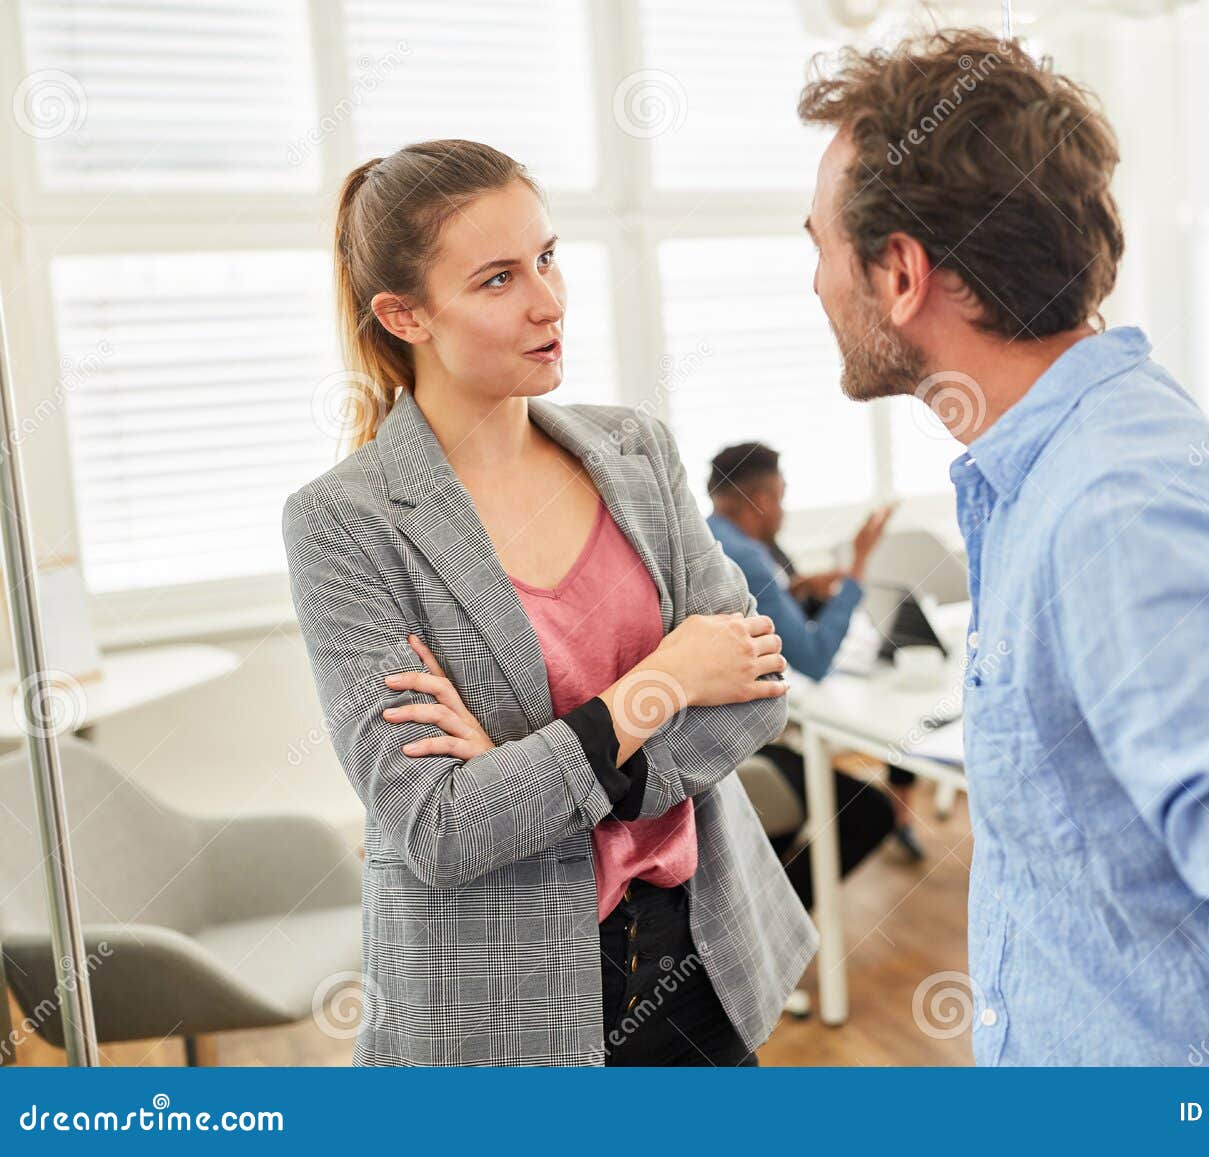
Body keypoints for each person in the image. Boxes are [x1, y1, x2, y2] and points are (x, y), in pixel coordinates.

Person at [798, 31, 1209, 1065]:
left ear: (901, 271)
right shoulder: (1044, 475)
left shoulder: (1119, 508)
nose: (815, 284)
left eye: (820, 246)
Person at [282, 140, 814, 1067]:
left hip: (699, 957)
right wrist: (659, 686)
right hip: (502, 998)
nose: (549, 300)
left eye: (548, 256)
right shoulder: (344, 523)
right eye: (497, 279)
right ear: (404, 314)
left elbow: (759, 688)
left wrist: (541, 771)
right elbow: (441, 828)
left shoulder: (636, 451)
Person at [705, 442, 921, 885]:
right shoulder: (749, 556)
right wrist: (858, 565)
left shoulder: (709, 538)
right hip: (741, 748)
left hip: (710, 736)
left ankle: (762, 902)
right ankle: (779, 917)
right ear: (763, 499)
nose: (783, 510)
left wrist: (795, 592)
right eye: (782, 497)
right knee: (868, 814)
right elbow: (816, 659)